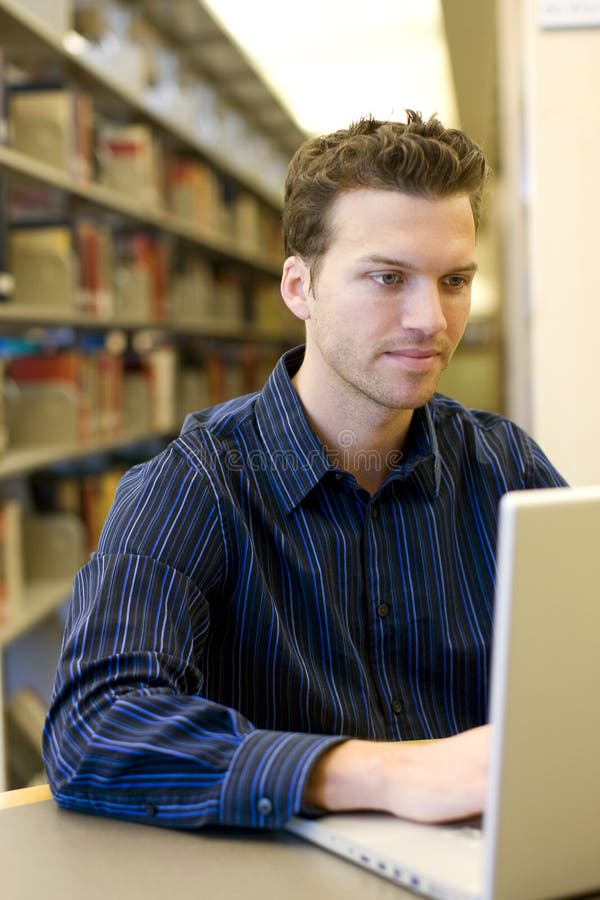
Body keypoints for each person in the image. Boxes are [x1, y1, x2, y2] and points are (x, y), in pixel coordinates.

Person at [42, 111, 566, 830]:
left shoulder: (508, 466)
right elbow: (95, 728)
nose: (431, 319)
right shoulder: (195, 485)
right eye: (387, 277)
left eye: (454, 280)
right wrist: (384, 772)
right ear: (299, 288)